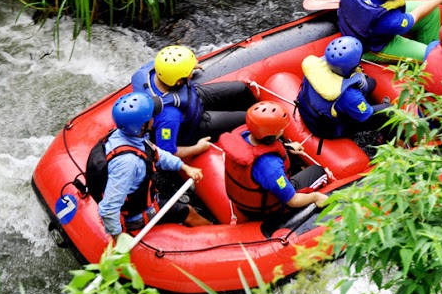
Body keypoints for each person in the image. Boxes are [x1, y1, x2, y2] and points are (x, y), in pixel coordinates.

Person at [86, 92, 209, 247]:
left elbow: (156, 153)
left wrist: (184, 167)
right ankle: (219, 237)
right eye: (151, 116)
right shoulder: (129, 163)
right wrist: (119, 243)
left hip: (133, 194)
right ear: (142, 125)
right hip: (134, 216)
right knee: (187, 211)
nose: (154, 117)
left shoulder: (124, 135)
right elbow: (108, 209)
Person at [129, 44, 254, 157]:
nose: (191, 73)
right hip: (192, 127)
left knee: (241, 88)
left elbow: (171, 68)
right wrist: (196, 148)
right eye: (188, 72)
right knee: (248, 118)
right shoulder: (169, 116)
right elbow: (166, 152)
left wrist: (187, 67)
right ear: (178, 81)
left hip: (194, 98)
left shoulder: (155, 69)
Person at [216, 102, 331, 220]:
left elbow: (260, 149)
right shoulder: (271, 168)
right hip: (267, 209)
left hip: (245, 199)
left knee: (291, 160)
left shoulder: (243, 135)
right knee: (319, 171)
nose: (282, 131)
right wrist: (315, 197)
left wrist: (287, 147)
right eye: (281, 130)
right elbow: (292, 200)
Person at [296, 37, 390, 143]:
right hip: (328, 128)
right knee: (390, 112)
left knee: (371, 83)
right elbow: (365, 116)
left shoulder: (318, 66)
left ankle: (353, 107)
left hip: (310, 110)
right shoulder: (349, 95)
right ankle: (387, 139)